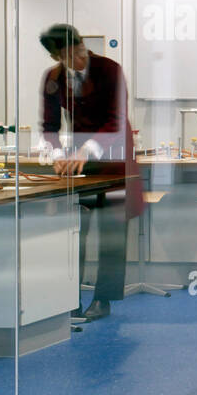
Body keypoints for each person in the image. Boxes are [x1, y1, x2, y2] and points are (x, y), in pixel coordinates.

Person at [38, 24, 144, 322]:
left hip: (115, 160)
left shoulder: (110, 70)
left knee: (112, 234)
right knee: (75, 231)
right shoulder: (54, 78)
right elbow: (48, 126)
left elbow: (116, 121)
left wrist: (86, 150)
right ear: (56, 56)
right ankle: (69, 297)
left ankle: (103, 299)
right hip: (78, 164)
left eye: (80, 51)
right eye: (70, 56)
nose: (79, 59)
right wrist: (58, 154)